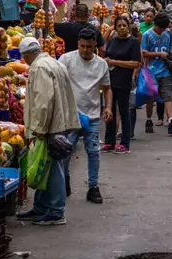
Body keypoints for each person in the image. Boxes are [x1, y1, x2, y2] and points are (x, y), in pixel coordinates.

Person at [16, 37, 81, 225]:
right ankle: (41, 207)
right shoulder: (53, 62)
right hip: (59, 124)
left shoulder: (40, 68)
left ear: (27, 55)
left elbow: (43, 103)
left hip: (51, 127)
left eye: (24, 57)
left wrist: (39, 130)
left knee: (53, 169)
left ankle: (56, 211)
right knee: (44, 167)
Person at [59, 28, 113, 204]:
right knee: (66, 152)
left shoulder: (101, 64)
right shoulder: (66, 60)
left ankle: (93, 187)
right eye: (82, 46)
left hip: (92, 116)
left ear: (95, 46)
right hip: (70, 116)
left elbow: (107, 88)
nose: (85, 50)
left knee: (94, 152)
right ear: (78, 44)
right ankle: (64, 181)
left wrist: (108, 107)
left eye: (89, 47)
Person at [102, 15, 142, 154]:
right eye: (118, 26)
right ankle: (109, 142)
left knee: (124, 112)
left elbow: (136, 63)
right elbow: (106, 55)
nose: (121, 28)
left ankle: (125, 142)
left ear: (128, 26)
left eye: (124, 25)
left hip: (124, 82)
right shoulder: (112, 41)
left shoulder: (133, 43)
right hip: (110, 81)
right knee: (109, 110)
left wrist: (114, 62)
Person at [141, 11, 172, 135]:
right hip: (151, 71)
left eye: (164, 28)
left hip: (165, 70)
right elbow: (144, 53)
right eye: (160, 28)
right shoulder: (147, 35)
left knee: (167, 96)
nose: (162, 31)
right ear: (155, 24)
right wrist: (158, 54)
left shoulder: (168, 34)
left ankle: (171, 120)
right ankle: (149, 119)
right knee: (150, 98)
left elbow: (171, 48)